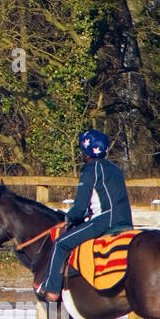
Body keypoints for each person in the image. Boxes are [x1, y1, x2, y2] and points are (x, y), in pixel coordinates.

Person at [39, 129, 133, 301]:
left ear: (85, 150)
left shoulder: (89, 170)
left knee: (60, 244)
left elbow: (81, 209)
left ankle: (51, 290)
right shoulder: (116, 169)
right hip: (126, 223)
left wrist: (68, 218)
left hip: (103, 222)